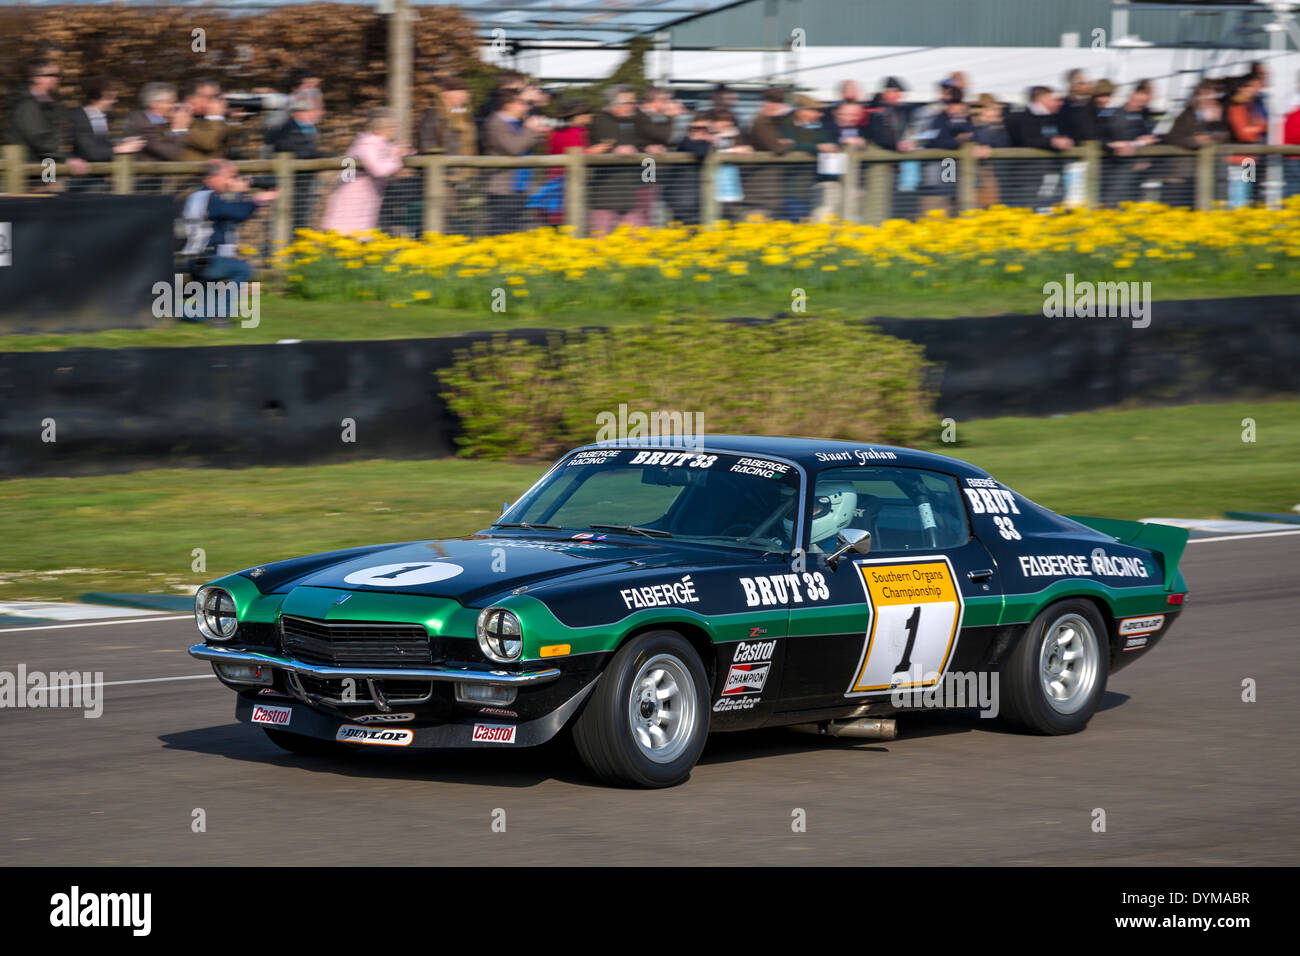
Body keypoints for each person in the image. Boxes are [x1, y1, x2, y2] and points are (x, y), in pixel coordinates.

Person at [179, 158, 278, 321]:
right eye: (230, 176)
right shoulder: (206, 197)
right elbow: (237, 213)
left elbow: (233, 214)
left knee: (201, 314)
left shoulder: (206, 197)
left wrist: (245, 196)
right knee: (243, 269)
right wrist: (255, 199)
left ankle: (172, 312)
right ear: (214, 177)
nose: (232, 181)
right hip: (207, 261)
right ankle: (220, 316)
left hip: (204, 260)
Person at [320, 108, 411, 234]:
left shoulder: (378, 143)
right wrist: (396, 158)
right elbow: (378, 169)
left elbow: (389, 153)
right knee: (347, 235)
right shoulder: (367, 145)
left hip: (364, 197)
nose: (395, 130)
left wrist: (400, 151)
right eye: (393, 126)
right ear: (384, 128)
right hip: (353, 197)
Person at [5, 57, 90, 181]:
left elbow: (55, 140)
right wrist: (67, 159)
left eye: (58, 75)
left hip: (47, 169)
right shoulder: (27, 106)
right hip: (30, 177)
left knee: (55, 195)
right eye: (52, 75)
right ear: (36, 78)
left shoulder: (49, 105)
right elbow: (40, 141)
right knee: (45, 197)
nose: (58, 79)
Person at [482, 93, 545, 235]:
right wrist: (531, 130)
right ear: (508, 104)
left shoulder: (518, 123)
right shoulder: (496, 123)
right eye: (521, 103)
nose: (526, 107)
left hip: (520, 186)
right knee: (501, 230)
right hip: (504, 188)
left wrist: (538, 134)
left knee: (513, 230)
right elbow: (514, 148)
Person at [587, 85, 646, 236]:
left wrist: (650, 147)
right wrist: (616, 149)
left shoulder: (637, 121)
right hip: (606, 196)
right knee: (601, 242)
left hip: (632, 193)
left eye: (635, 102)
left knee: (641, 240)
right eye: (629, 102)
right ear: (615, 104)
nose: (634, 106)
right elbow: (607, 143)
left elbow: (648, 149)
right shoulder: (600, 121)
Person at [68, 77, 144, 191]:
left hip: (98, 179)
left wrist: (122, 144)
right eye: (109, 97)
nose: (114, 101)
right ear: (95, 98)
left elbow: (101, 145)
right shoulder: (79, 118)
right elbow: (91, 152)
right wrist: (119, 149)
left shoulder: (101, 117)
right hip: (82, 182)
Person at [265, 90, 325, 233]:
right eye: (314, 110)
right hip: (293, 185)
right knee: (289, 223)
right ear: (301, 111)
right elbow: (294, 150)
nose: (318, 114)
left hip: (303, 184)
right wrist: (319, 155)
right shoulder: (287, 129)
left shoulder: (307, 129)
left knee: (300, 221)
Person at [1006, 85, 1073, 209]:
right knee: (1033, 208)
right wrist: (1052, 142)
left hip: (1052, 173)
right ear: (1042, 99)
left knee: (1050, 206)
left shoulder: (1055, 117)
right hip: (1031, 176)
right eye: (1054, 99)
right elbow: (1026, 139)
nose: (1060, 103)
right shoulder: (1020, 117)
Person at [745, 88, 792, 218]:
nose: (773, 105)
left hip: (773, 191)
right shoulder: (761, 121)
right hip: (758, 193)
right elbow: (777, 148)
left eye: (778, 102)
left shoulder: (777, 122)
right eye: (770, 101)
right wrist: (790, 143)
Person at [783, 481, 858, 552]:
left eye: (810, 508)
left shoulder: (846, 551)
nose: (800, 511)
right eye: (797, 507)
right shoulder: (782, 537)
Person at [179, 79, 231, 162]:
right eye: (208, 97)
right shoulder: (180, 118)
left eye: (216, 97)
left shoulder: (205, 118)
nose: (213, 102)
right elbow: (208, 143)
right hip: (192, 173)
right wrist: (216, 117)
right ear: (189, 99)